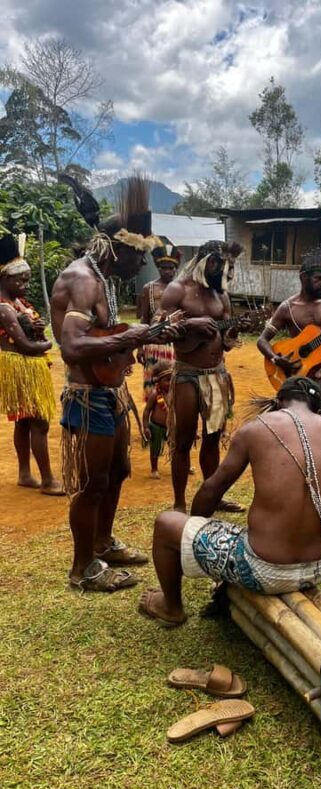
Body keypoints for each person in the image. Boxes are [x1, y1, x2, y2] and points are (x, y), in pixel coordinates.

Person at [51, 175, 182, 592]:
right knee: (93, 483)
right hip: (87, 397)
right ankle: (82, 567)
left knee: (119, 470)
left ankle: (103, 543)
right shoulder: (84, 280)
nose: (138, 265)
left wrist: (152, 330)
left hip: (109, 392)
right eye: (136, 256)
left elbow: (106, 336)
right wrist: (135, 336)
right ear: (117, 248)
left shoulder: (102, 280)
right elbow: (72, 346)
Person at [139, 377, 321, 627]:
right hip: (320, 567)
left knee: (166, 523)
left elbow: (211, 490)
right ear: (315, 406)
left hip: (263, 570)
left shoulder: (257, 428)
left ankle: (171, 608)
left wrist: (197, 525)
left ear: (279, 402)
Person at [160, 240, 245, 513]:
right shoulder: (178, 289)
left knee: (212, 439)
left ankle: (212, 495)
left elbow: (227, 338)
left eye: (224, 264)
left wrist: (233, 333)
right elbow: (158, 325)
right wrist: (191, 323)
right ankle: (179, 503)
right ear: (201, 261)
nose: (219, 268)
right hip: (187, 375)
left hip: (217, 375)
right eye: (215, 262)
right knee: (183, 441)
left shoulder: (222, 295)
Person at [0, 234, 63, 495]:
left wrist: (37, 331)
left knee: (24, 422)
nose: (25, 284)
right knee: (39, 422)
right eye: (20, 280)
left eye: (27, 279)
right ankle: (47, 480)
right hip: (22, 366)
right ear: (4, 279)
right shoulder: (3, 308)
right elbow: (25, 345)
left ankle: (25, 474)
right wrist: (47, 344)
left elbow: (31, 335)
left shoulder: (18, 304)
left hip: (27, 367)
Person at [257, 244, 321, 417]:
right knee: (295, 422)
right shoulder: (287, 308)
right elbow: (262, 340)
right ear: (304, 277)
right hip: (297, 375)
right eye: (318, 279)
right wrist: (275, 359)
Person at [138, 238, 180, 400]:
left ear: (176, 269)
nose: (167, 271)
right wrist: (140, 348)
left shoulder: (180, 289)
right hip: (153, 344)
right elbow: (145, 318)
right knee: (153, 383)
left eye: (171, 268)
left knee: (173, 382)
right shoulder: (149, 288)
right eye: (163, 268)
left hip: (173, 344)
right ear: (158, 268)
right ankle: (153, 417)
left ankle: (173, 418)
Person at [143, 361, 172, 479]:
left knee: (177, 447)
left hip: (172, 426)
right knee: (155, 449)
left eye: (172, 379)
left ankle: (182, 465)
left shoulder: (175, 393)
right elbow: (146, 412)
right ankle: (154, 469)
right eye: (167, 380)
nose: (170, 383)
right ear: (158, 381)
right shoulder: (155, 394)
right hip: (157, 427)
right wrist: (145, 427)